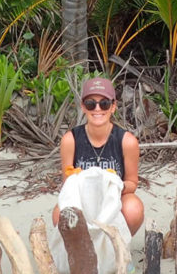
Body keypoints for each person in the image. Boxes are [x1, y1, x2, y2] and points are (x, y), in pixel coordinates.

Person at [53, 77, 144, 235]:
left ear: (113, 106)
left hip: (114, 199)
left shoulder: (127, 141)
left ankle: (118, 247)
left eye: (104, 103)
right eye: (90, 103)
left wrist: (114, 184)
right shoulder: (70, 140)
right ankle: (79, 251)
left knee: (133, 208)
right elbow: (67, 184)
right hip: (82, 200)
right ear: (83, 107)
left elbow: (132, 183)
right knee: (59, 214)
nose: (97, 109)